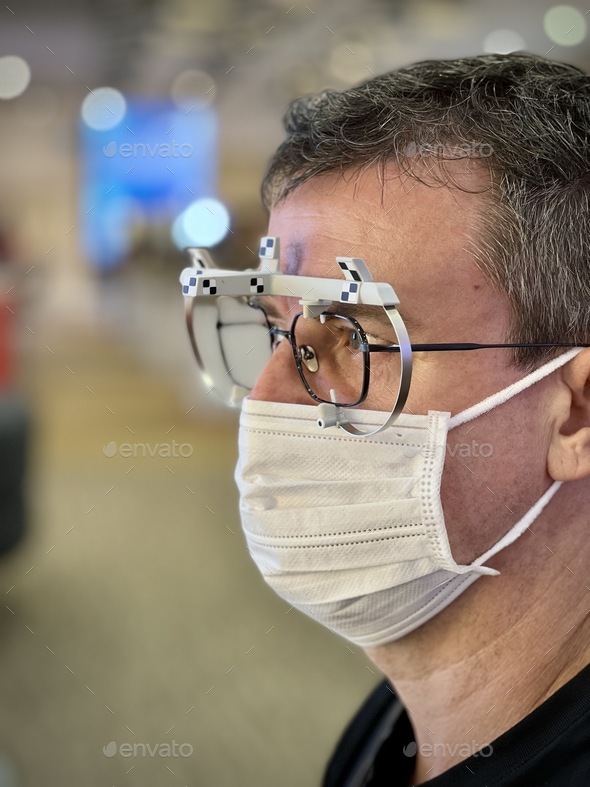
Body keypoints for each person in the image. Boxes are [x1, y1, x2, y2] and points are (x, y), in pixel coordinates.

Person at [181, 52, 590, 785]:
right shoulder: (391, 728)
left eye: (354, 336)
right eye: (277, 329)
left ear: (576, 414)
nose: (268, 397)